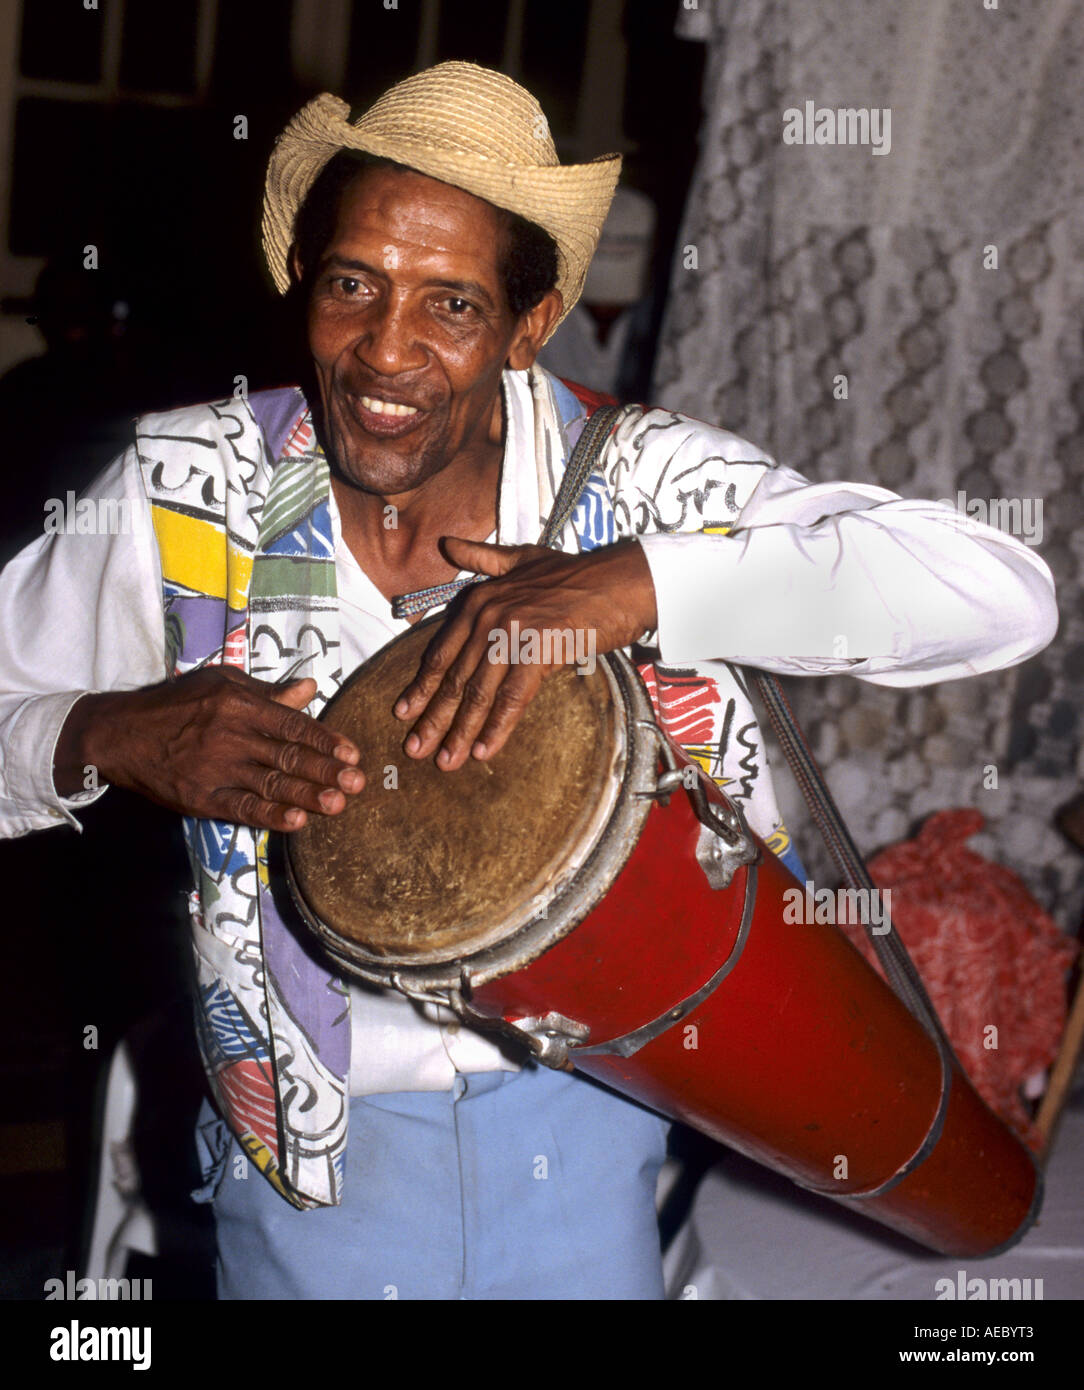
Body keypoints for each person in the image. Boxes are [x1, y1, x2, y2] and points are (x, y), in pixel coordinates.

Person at [0, 62, 1057, 1300]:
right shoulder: (187, 487)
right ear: (306, 277)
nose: (383, 349)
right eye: (354, 284)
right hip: (308, 1159)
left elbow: (1000, 594)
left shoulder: (638, 478)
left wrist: (637, 586)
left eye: (449, 304)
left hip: (588, 1122)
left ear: (528, 325)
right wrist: (106, 732)